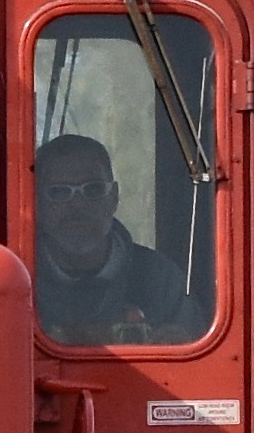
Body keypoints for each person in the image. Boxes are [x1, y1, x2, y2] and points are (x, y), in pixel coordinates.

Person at [31, 130, 194, 345]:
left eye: (93, 189)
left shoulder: (160, 279)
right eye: (59, 192)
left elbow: (201, 362)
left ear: (114, 197)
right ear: (36, 201)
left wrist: (181, 345)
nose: (77, 205)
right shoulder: (19, 280)